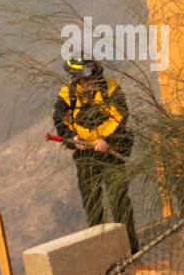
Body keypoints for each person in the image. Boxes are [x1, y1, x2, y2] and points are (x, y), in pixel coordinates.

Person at [53, 56, 140, 254]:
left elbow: (121, 115)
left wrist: (107, 139)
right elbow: (60, 120)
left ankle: (132, 251)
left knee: (120, 201)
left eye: (94, 78)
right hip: (85, 157)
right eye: (87, 80)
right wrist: (71, 138)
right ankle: (104, 255)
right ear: (77, 79)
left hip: (112, 152)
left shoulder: (110, 88)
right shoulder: (68, 94)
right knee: (93, 204)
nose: (92, 82)